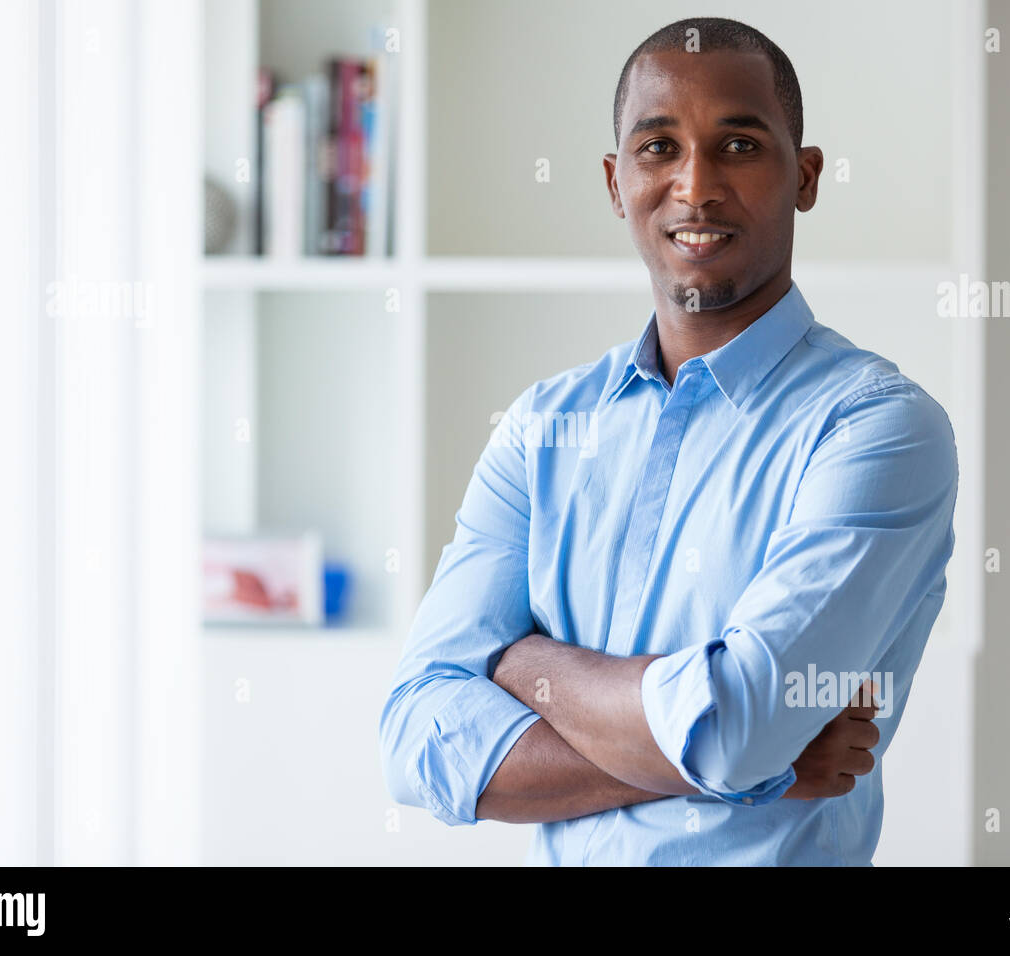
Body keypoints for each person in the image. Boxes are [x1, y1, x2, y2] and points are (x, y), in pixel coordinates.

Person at [379, 16, 959, 866]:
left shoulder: (876, 427)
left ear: (804, 176)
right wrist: (756, 766)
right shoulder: (543, 429)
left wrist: (522, 661)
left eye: (738, 145)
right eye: (658, 147)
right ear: (616, 183)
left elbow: (738, 726)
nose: (696, 185)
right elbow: (417, 738)